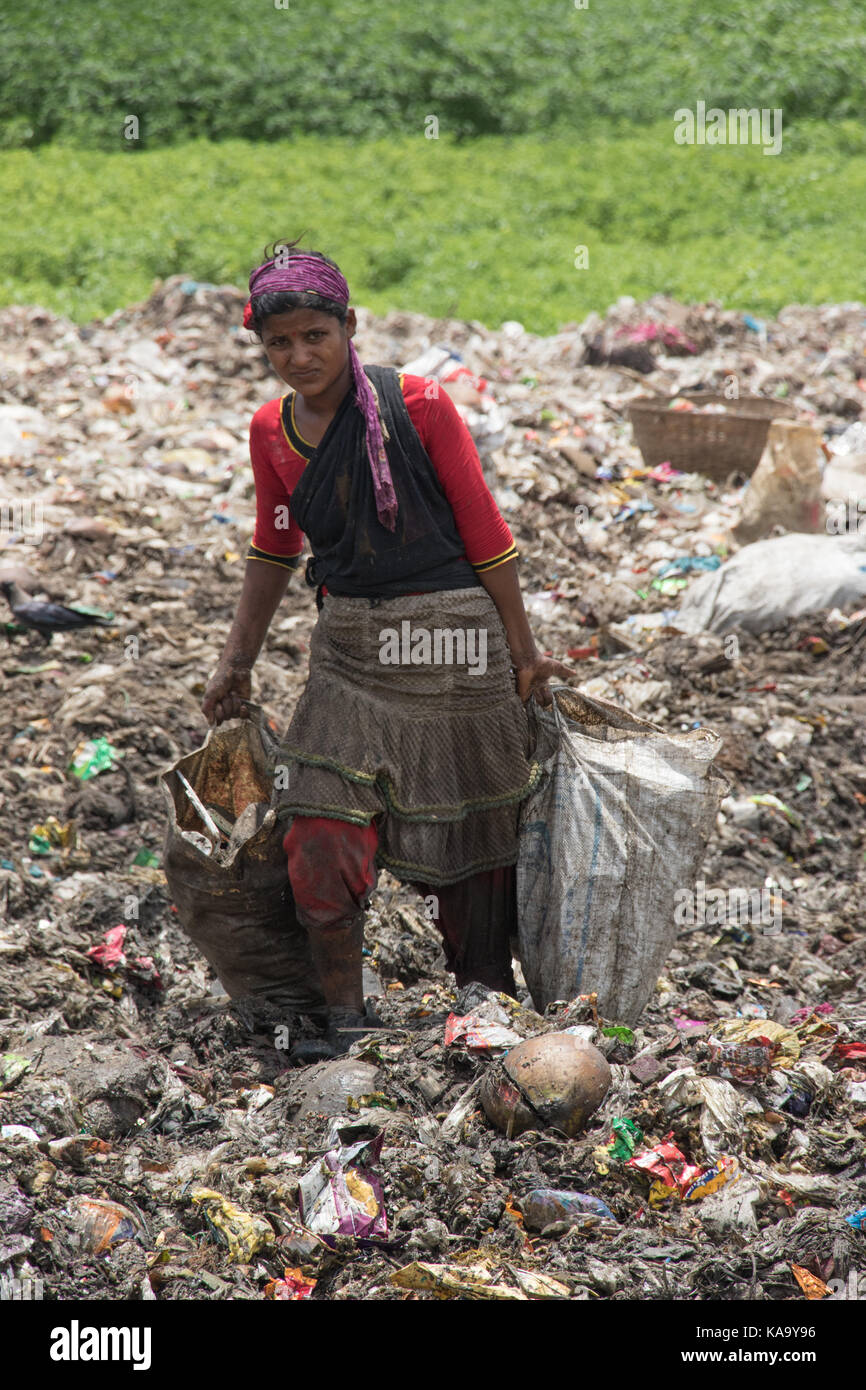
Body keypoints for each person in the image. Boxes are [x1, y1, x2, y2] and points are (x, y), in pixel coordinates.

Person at [202, 240, 570, 1054]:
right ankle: (344, 1017)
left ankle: (485, 1001)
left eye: (314, 337)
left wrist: (524, 652)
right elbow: (274, 549)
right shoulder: (272, 430)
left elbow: (485, 532)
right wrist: (237, 661)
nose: (298, 357)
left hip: (455, 646)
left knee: (478, 832)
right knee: (318, 825)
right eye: (279, 344)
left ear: (350, 326)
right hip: (351, 652)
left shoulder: (420, 405)